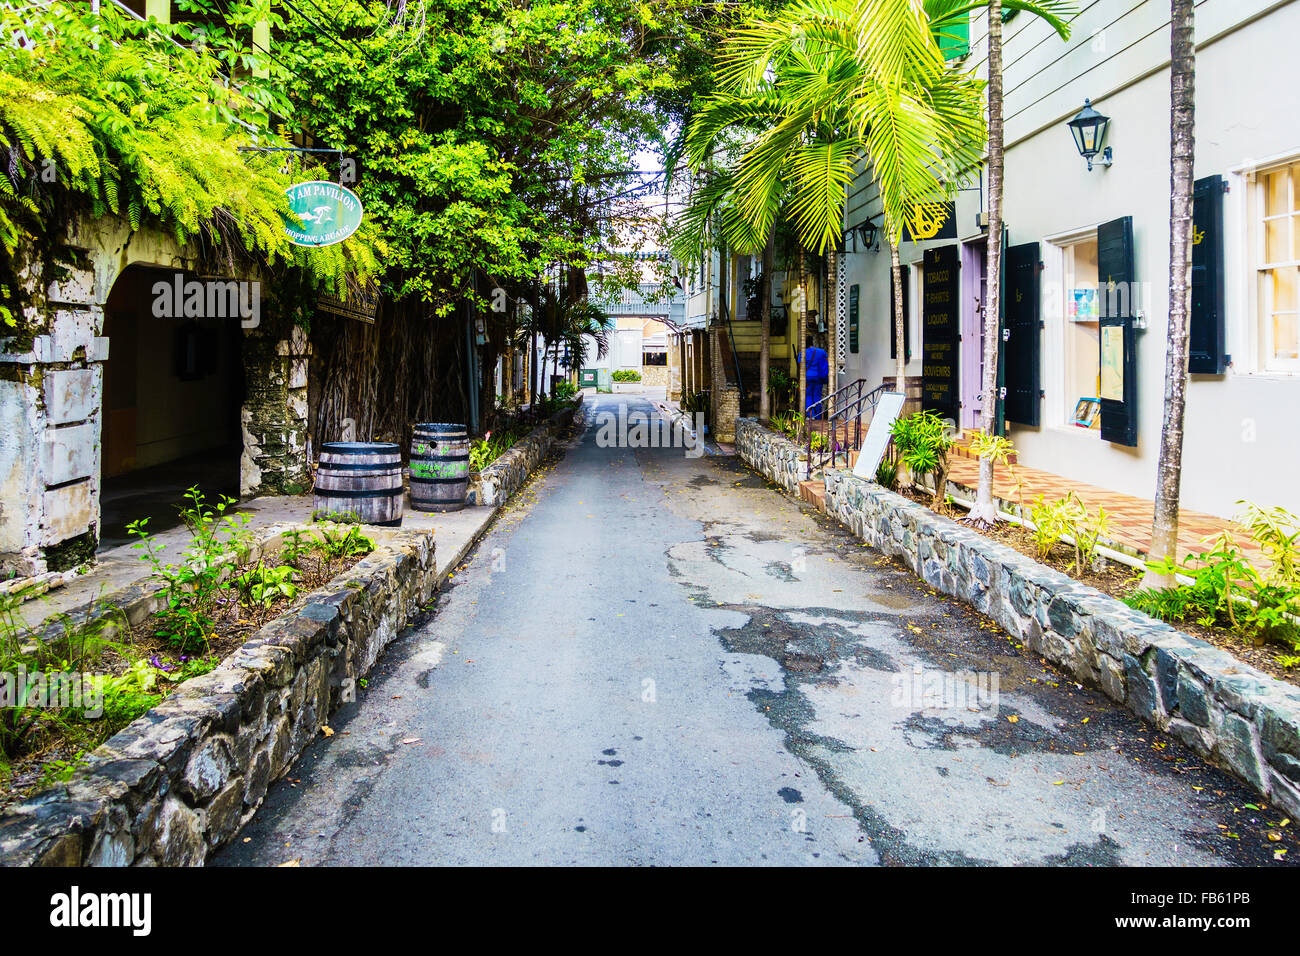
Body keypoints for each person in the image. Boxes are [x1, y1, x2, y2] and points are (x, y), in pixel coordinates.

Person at [799, 335, 829, 417]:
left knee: (808, 396)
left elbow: (801, 366)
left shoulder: (802, 353)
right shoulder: (821, 352)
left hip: (807, 377)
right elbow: (826, 362)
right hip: (819, 377)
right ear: (812, 342)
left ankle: (810, 415)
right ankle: (818, 415)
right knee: (817, 396)